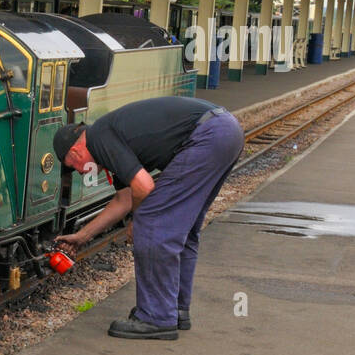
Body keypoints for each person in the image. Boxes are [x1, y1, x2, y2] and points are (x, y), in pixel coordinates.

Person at [52, 96, 244, 340]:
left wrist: (138, 220)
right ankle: (175, 309)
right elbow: (124, 200)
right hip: (225, 132)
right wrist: (82, 236)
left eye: (74, 166)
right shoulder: (109, 144)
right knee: (183, 229)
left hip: (208, 137)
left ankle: (156, 316)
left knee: (154, 223)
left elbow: (144, 187)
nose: (80, 172)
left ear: (75, 150)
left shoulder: (99, 137)